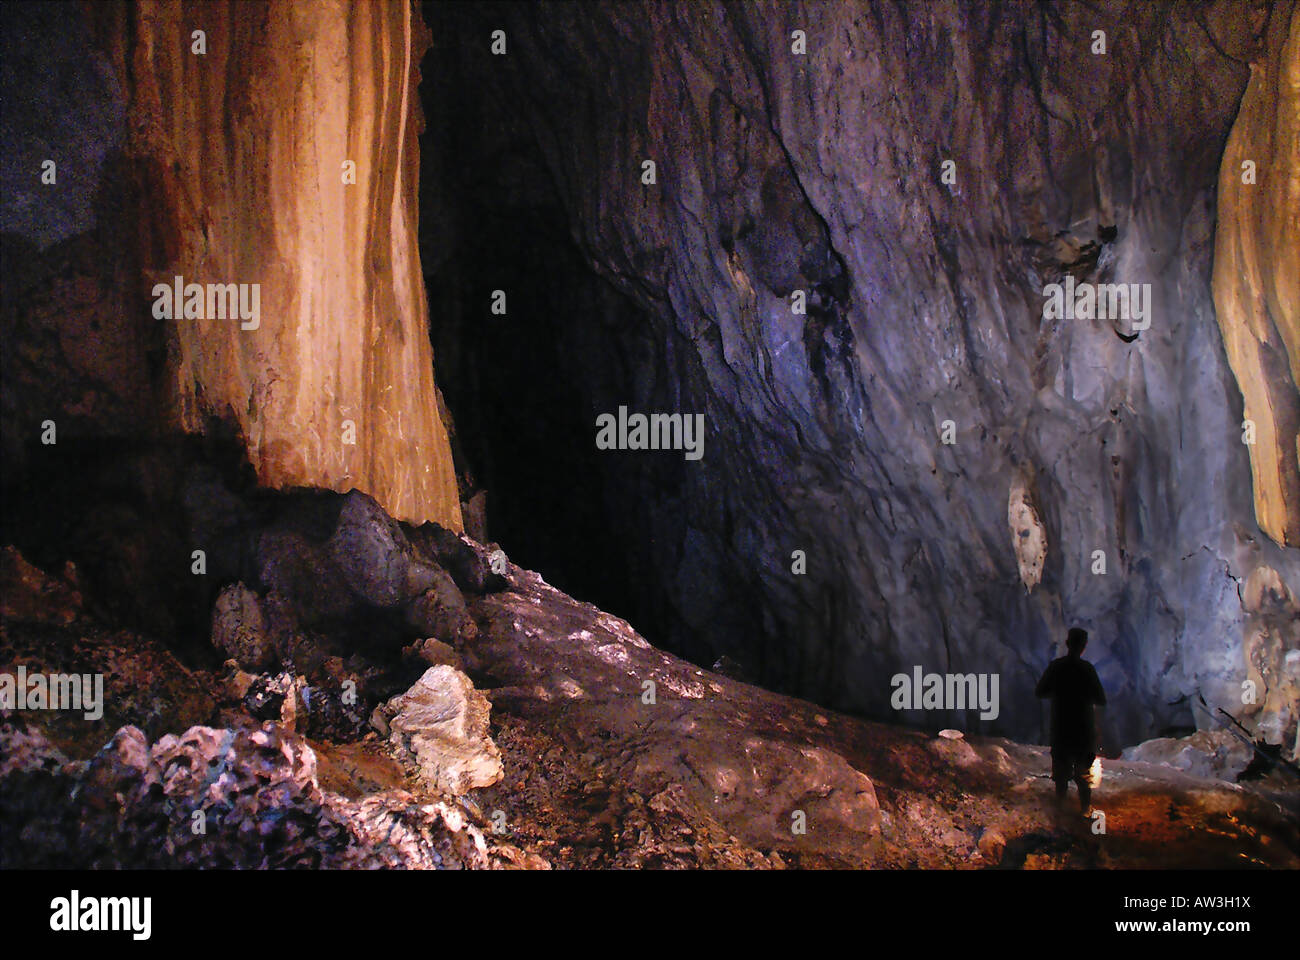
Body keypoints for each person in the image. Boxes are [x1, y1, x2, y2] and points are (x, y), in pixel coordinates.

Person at [1035, 627, 1106, 814]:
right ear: (1083, 646)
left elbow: (1040, 692)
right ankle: (1084, 810)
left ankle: (1061, 814)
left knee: (1061, 776)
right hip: (1083, 729)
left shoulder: (1056, 667)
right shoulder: (1087, 669)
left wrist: (1060, 694)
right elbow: (1100, 698)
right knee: (1083, 775)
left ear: (1067, 643)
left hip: (1061, 727)